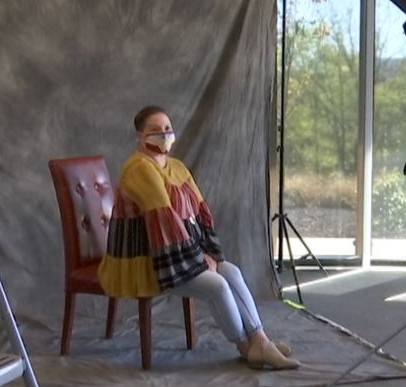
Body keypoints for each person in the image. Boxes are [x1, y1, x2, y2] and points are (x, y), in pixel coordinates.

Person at [97, 105, 299, 370]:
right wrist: (200, 259)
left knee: (231, 272)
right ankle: (246, 346)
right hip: (149, 259)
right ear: (139, 135)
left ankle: (260, 341)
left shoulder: (176, 167)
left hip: (180, 252)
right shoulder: (139, 168)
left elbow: (201, 214)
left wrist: (212, 254)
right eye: (154, 130)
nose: (163, 134)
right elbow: (166, 222)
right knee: (218, 286)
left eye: (167, 128)